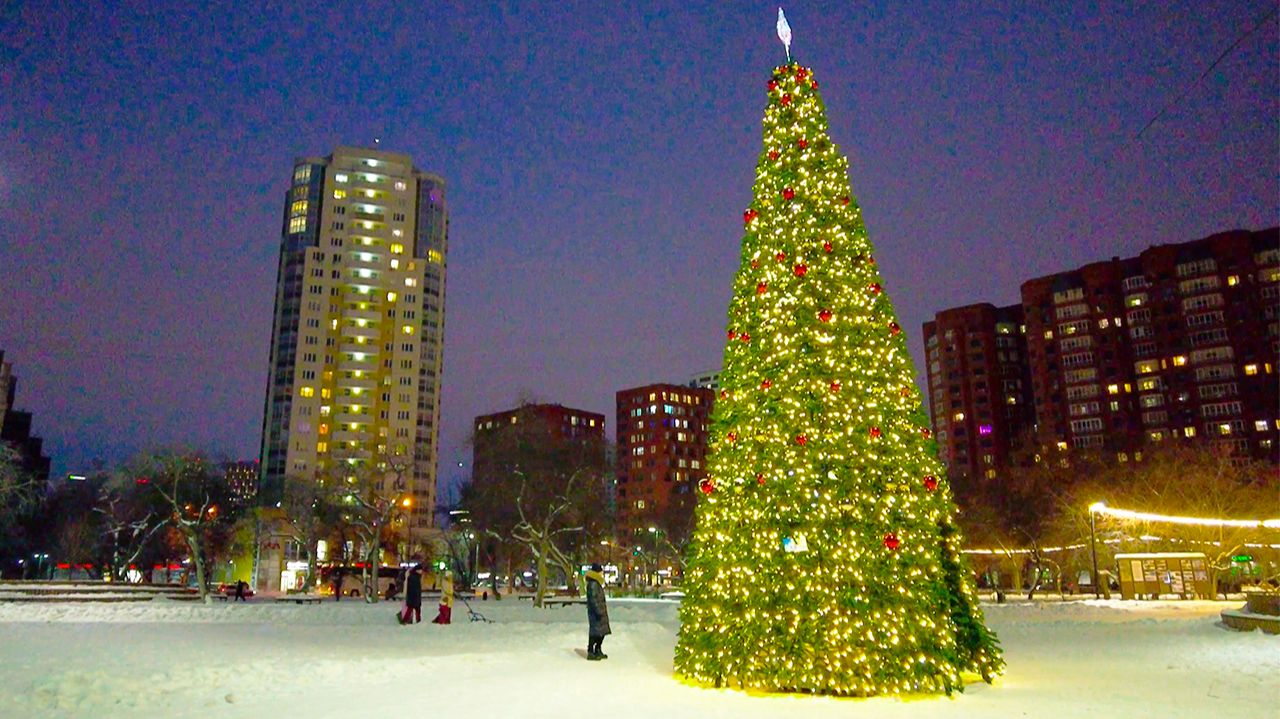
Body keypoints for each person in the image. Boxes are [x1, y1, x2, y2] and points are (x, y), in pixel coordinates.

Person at [585, 563, 611, 660]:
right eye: (601, 571)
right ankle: (591, 651)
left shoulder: (596, 582)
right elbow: (593, 599)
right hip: (596, 612)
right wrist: (598, 611)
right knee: (595, 632)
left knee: (601, 632)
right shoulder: (593, 584)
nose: (602, 573)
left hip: (599, 611)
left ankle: (597, 649)